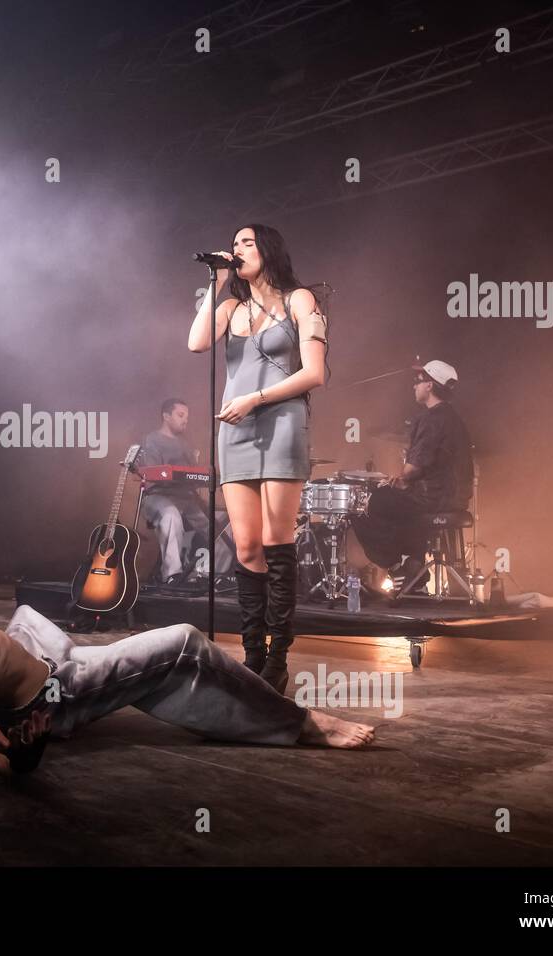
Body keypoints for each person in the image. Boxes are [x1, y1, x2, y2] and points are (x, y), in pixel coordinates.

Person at [0, 605, 375, 777]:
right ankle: (294, 723)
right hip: (58, 691)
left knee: (26, 613)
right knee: (185, 641)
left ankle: (62, 647)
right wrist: (19, 754)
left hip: (29, 648)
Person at [187, 224, 328, 694]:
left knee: (275, 541)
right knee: (245, 547)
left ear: (268, 249)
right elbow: (196, 343)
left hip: (282, 423)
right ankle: (252, 654)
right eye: (234, 243)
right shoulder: (230, 306)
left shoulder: (300, 301)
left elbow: (315, 373)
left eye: (247, 243)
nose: (237, 249)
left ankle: (279, 657)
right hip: (236, 431)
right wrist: (220, 281)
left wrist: (256, 398)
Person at [352, 360, 474, 588]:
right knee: (395, 501)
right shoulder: (452, 418)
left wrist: (401, 478)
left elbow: (414, 468)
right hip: (451, 497)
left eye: (418, 381)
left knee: (367, 504)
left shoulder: (431, 419)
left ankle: (399, 568)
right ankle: (414, 563)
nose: (414, 386)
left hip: (434, 499)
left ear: (430, 385)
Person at [136, 398, 213, 584]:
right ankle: (172, 575)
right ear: (166, 416)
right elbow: (154, 473)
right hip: (157, 497)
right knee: (171, 516)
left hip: (185, 498)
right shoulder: (152, 440)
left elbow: (194, 475)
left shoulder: (185, 444)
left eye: (187, 416)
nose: (185, 420)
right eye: (180, 415)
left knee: (217, 525)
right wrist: (172, 474)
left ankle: (213, 573)